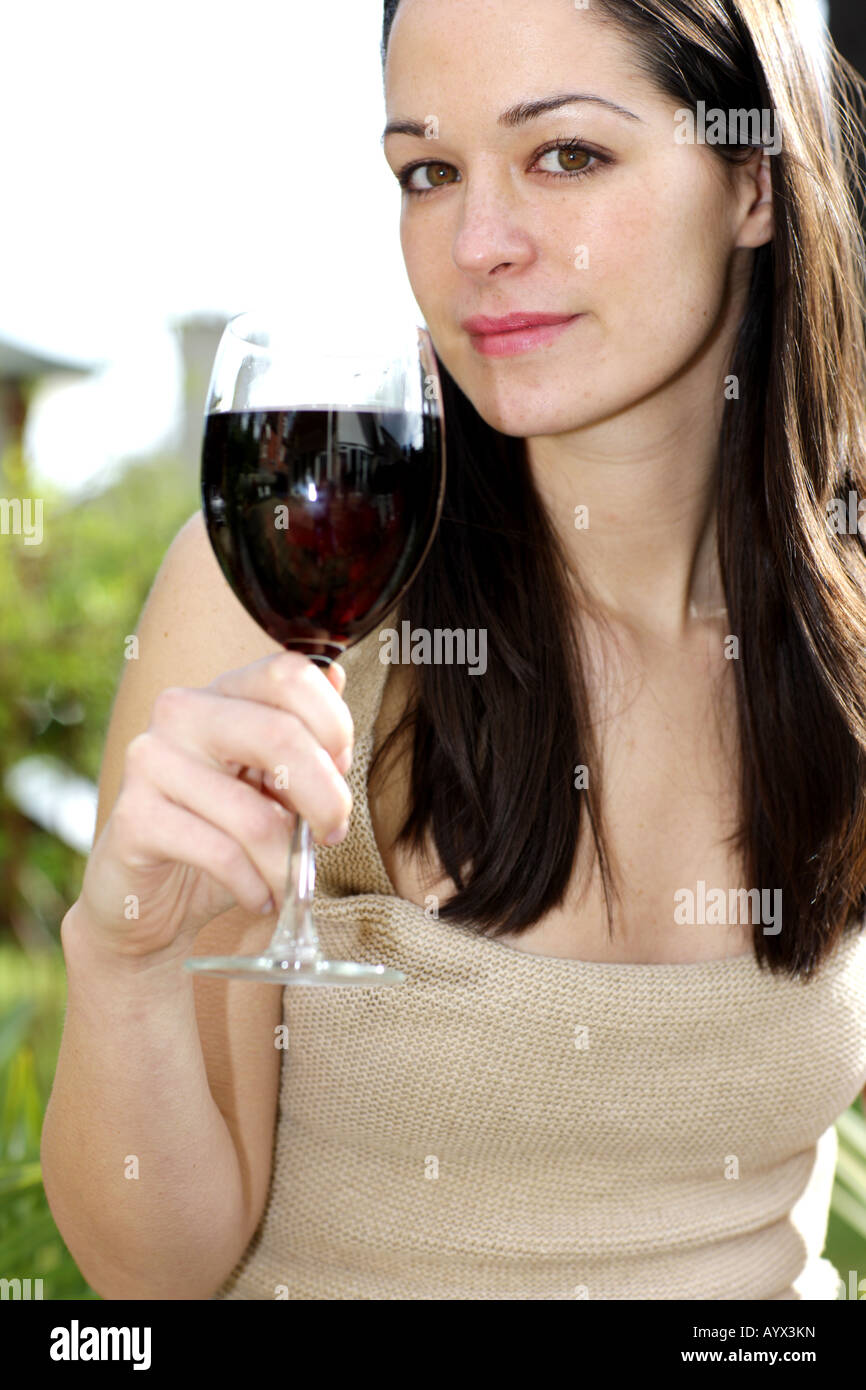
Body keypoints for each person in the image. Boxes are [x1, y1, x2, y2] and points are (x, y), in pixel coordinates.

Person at [41, 0, 866, 1300]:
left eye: (565, 156)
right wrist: (126, 955)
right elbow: (151, 1271)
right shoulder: (300, 604)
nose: (476, 243)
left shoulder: (842, 622)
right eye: (427, 171)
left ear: (751, 180)